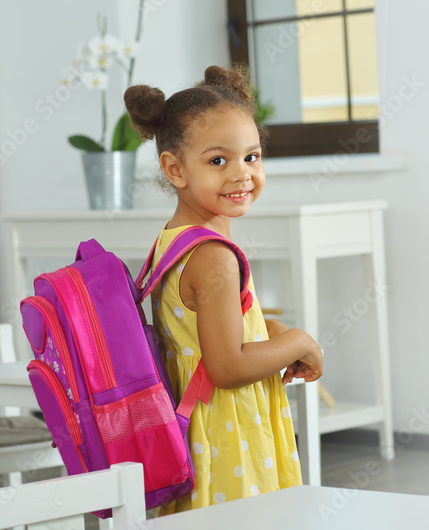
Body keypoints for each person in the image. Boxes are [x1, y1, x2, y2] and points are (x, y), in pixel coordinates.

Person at [124, 64, 323, 513]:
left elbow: (197, 334)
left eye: (251, 157)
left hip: (199, 433)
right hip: (227, 437)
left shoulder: (173, 240)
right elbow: (227, 365)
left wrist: (266, 328)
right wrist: (299, 340)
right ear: (175, 169)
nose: (241, 174)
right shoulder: (213, 255)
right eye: (218, 160)